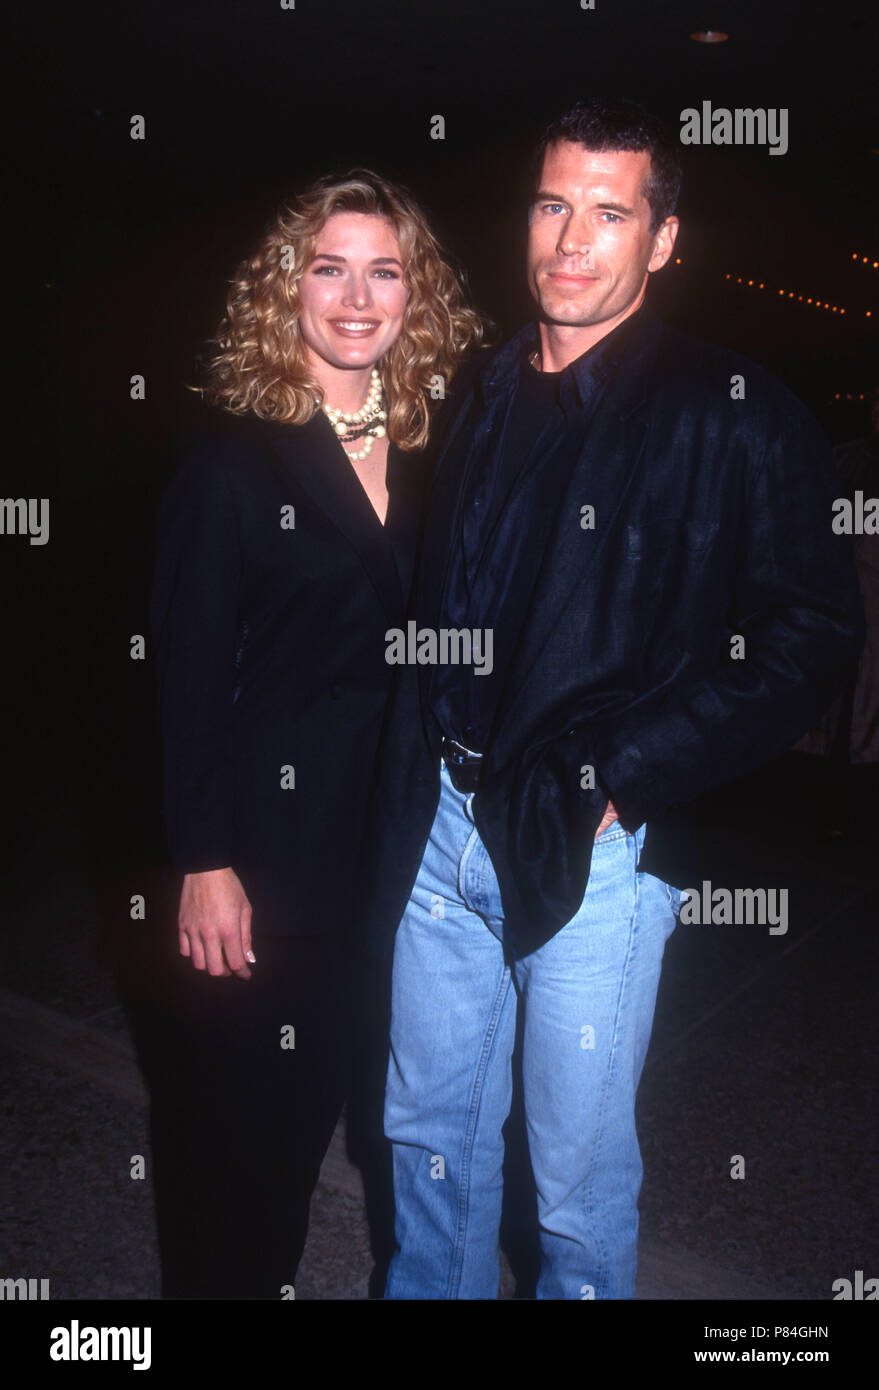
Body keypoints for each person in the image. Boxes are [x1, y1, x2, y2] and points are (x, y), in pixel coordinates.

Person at [354, 99, 864, 1299]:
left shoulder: (729, 413)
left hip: (595, 857)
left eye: (610, 213)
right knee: (427, 1143)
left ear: (664, 239)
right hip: (442, 828)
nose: (571, 241)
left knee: (574, 1194)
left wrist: (623, 776)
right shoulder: (481, 385)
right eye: (551, 205)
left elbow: (814, 633)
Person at [146, 169, 484, 1298]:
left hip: (395, 861)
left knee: (351, 1125)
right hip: (264, 866)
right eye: (328, 269)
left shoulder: (438, 452)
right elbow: (188, 676)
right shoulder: (232, 460)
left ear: (414, 296)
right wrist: (203, 859)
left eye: (383, 272)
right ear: (285, 288)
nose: (355, 297)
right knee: (244, 1152)